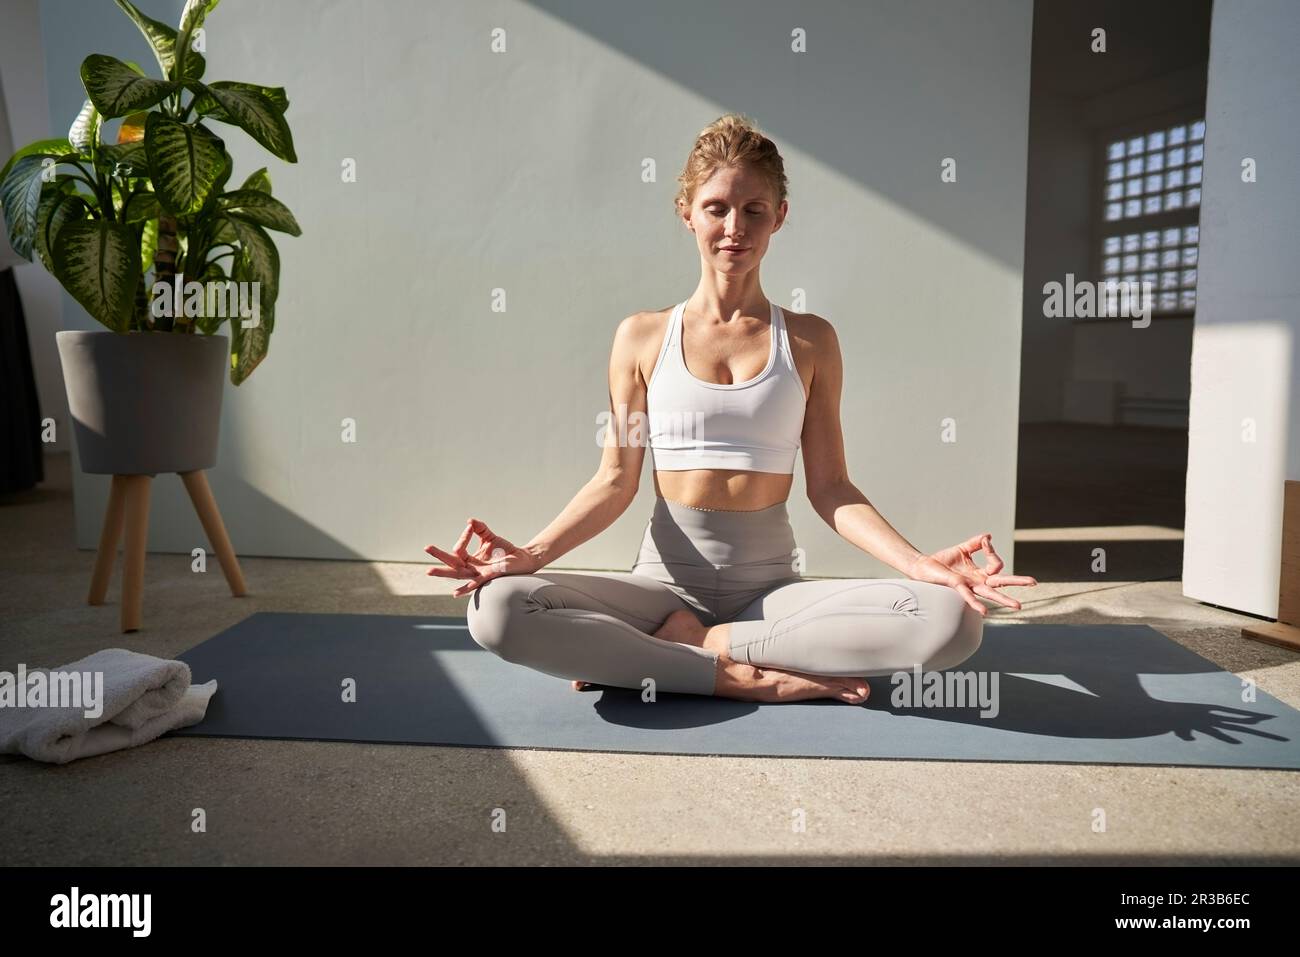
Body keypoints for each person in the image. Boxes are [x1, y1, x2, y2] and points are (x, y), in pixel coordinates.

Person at [426, 114, 1036, 704]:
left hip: (767, 593)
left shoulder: (809, 339)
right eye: (716, 208)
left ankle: (687, 651)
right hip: (657, 589)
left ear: (780, 218)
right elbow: (615, 480)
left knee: (953, 619)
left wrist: (918, 563)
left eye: (754, 210)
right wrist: (529, 556)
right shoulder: (640, 337)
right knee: (498, 609)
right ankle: (747, 677)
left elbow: (831, 487)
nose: (734, 227)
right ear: (686, 213)